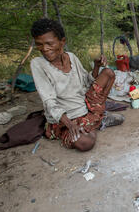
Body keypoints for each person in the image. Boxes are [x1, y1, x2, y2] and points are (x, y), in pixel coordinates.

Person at [30, 18, 124, 151]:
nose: (44, 49)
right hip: (65, 119)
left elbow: (87, 81)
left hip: (85, 106)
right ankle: (96, 122)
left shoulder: (72, 57)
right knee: (86, 143)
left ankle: (93, 121)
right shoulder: (38, 64)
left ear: (62, 41)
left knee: (109, 73)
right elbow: (48, 101)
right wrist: (69, 124)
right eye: (39, 44)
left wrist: (97, 66)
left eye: (49, 43)